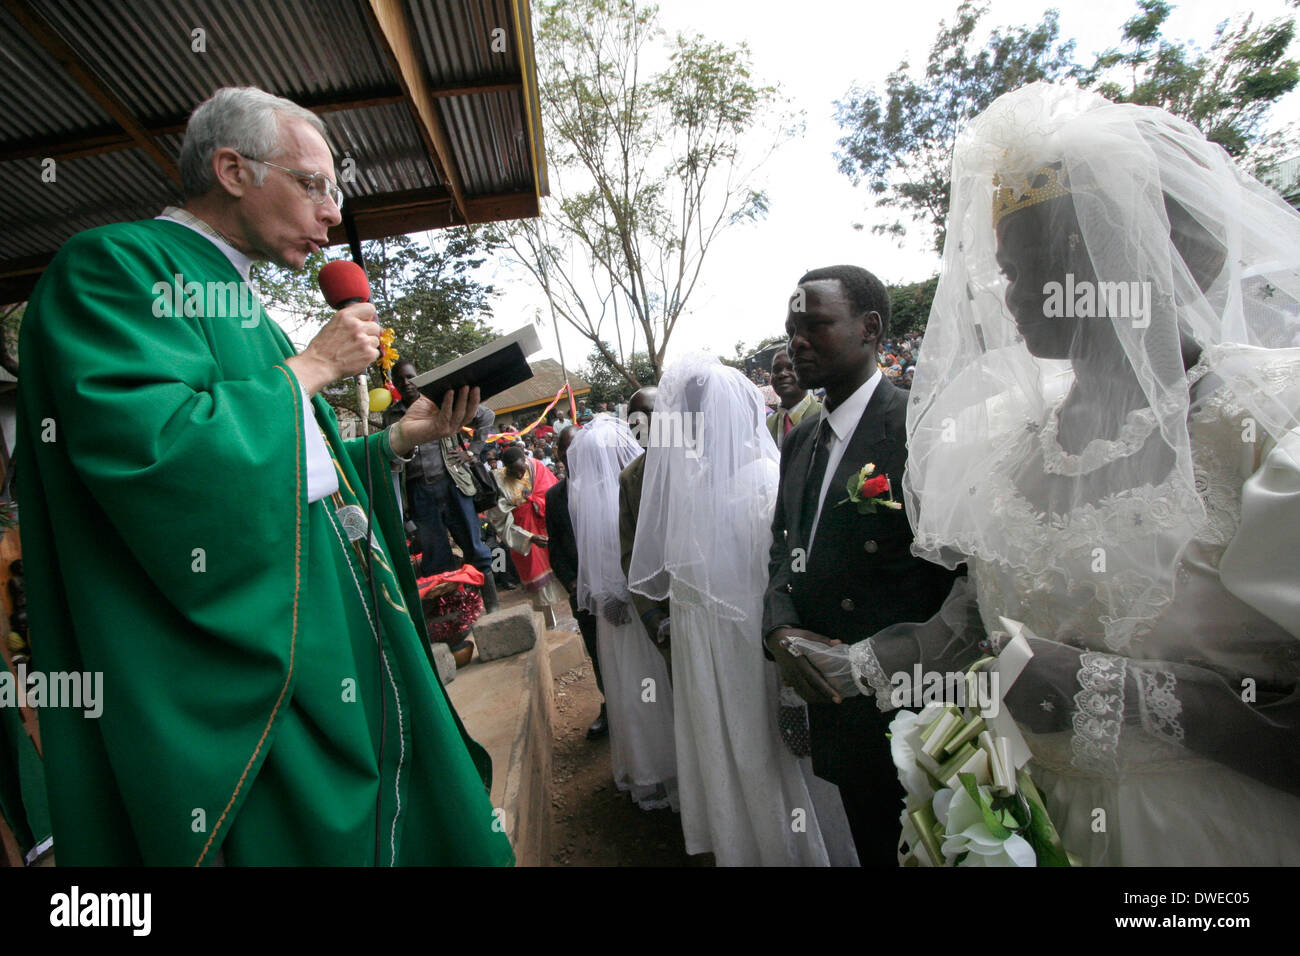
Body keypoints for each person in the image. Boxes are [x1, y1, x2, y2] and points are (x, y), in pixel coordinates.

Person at [14, 86, 512, 866]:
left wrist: (387, 447)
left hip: (333, 628)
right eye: (315, 185)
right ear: (232, 168)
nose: (331, 214)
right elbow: (157, 459)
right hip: (245, 662)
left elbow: (302, 481)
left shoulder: (254, 311)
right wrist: (311, 366)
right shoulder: (114, 266)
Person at [848, 82, 1300, 865]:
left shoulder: (1262, 421)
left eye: (1032, 266)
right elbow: (975, 618)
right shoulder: (1006, 439)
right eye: (1005, 268)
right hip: (1029, 818)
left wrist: (1118, 699)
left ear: (1133, 260)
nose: (1008, 293)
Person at [761, 265, 961, 866]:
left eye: (815, 325)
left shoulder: (920, 426)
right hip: (838, 713)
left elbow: (962, 580)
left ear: (871, 328)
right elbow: (783, 547)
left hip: (917, 712)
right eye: (791, 327)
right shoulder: (799, 440)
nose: (797, 342)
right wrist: (780, 627)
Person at [628, 353, 856, 865]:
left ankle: (778, 848)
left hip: (751, 650)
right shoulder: (709, 486)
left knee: (761, 755)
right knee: (745, 753)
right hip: (718, 650)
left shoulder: (760, 481)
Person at [568, 417, 678, 810]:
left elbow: (594, 555)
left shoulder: (585, 494)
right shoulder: (631, 485)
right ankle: (669, 769)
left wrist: (607, 595)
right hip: (638, 605)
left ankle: (647, 770)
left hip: (616, 612)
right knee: (654, 687)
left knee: (633, 690)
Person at [388, 360, 498, 611]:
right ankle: (456, 613)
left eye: (410, 377)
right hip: (419, 494)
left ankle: (491, 606)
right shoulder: (392, 415)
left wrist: (473, 452)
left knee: (474, 547)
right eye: (400, 380)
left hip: (453, 486)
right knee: (435, 556)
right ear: (395, 384)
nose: (406, 383)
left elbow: (486, 415)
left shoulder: (437, 400)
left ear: (419, 376)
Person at [545, 425, 607, 739]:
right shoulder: (554, 496)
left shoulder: (607, 486)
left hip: (612, 588)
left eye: (577, 448)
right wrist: (571, 582)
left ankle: (640, 704)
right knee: (596, 650)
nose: (572, 456)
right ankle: (609, 705)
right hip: (581, 592)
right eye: (566, 450)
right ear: (559, 454)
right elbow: (555, 545)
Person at [618, 387, 671, 666]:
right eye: (633, 419)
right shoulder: (629, 478)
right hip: (666, 617)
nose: (640, 423)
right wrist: (650, 613)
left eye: (649, 414)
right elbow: (631, 552)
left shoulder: (701, 463)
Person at [485, 445, 567, 621]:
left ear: (526, 460)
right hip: (523, 534)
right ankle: (548, 623)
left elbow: (553, 493)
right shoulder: (498, 480)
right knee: (537, 580)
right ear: (506, 468)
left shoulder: (537, 467)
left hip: (547, 526)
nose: (520, 475)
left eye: (522, 469)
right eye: (515, 472)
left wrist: (535, 502)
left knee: (562, 569)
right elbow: (499, 519)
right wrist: (529, 537)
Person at [767, 348, 822, 448]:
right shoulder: (766, 426)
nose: (782, 374)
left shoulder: (826, 416)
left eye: (791, 367)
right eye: (776, 369)